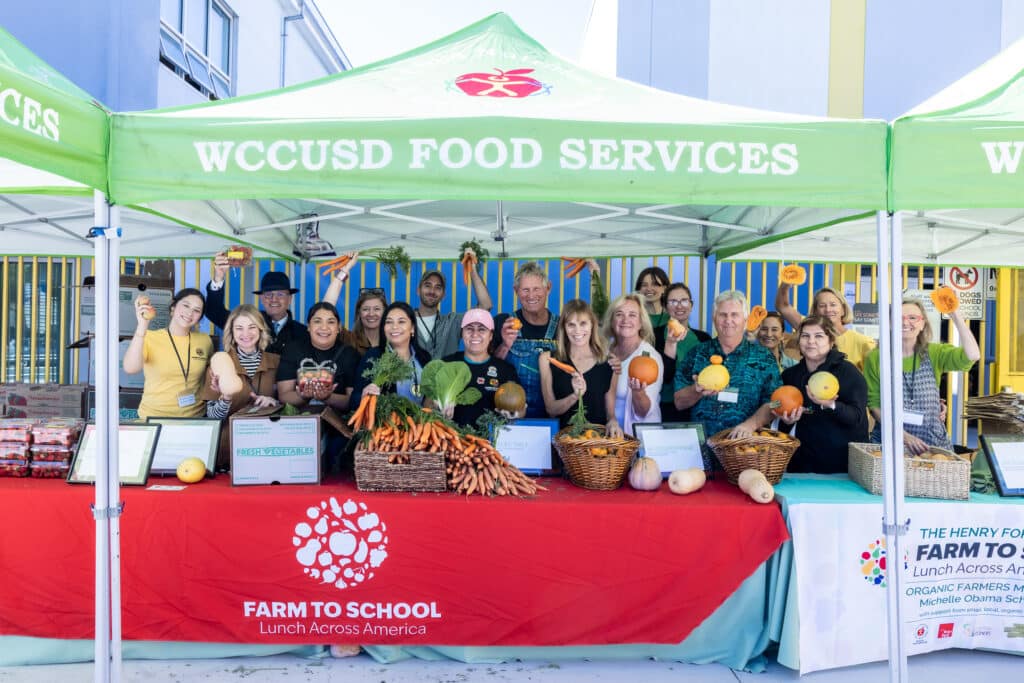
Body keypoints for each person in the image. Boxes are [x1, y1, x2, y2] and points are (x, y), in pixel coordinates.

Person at [865, 298, 980, 453]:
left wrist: (955, 315)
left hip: (932, 442)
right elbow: (874, 404)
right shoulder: (877, 357)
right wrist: (903, 436)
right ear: (890, 324)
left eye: (912, 318)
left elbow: (973, 355)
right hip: (890, 442)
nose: (905, 322)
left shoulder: (935, 352)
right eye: (898, 318)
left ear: (923, 324)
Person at [674, 290, 781, 444]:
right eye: (723, 315)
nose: (728, 320)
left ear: (745, 319)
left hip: (745, 447)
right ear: (714, 318)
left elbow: (775, 403)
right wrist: (696, 391)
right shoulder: (697, 354)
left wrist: (750, 425)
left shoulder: (764, 358)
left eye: (734, 315)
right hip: (701, 447)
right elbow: (678, 402)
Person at [775, 316, 868, 473]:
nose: (811, 341)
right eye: (805, 336)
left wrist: (831, 404)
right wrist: (786, 420)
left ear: (831, 341)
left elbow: (857, 417)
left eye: (818, 336)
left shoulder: (848, 372)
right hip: (803, 465)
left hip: (842, 467)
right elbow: (777, 407)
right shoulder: (790, 375)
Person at [277, 302, 362, 473]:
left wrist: (328, 397)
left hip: (336, 426)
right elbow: (283, 395)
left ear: (338, 328)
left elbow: (352, 402)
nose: (324, 327)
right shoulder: (293, 349)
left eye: (331, 322)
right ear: (308, 327)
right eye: (317, 321)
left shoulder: (349, 354)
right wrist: (302, 395)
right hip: (299, 425)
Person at [199, 304, 280, 471]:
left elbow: (289, 408)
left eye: (252, 327)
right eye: (239, 328)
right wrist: (226, 398)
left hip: (268, 449)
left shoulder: (276, 362)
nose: (246, 334)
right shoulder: (219, 363)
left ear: (260, 330)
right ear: (231, 332)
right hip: (228, 451)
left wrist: (274, 402)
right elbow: (212, 417)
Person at [124, 288, 214, 419]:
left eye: (197, 310)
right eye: (186, 305)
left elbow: (210, 377)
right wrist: (142, 325)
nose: (190, 313)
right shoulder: (149, 337)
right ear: (173, 307)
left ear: (200, 317)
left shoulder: (205, 341)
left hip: (195, 418)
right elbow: (130, 368)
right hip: (154, 418)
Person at [539, 300, 622, 436]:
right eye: (571, 325)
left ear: (592, 325)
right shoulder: (547, 359)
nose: (577, 331)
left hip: (596, 442)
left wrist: (613, 421)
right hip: (562, 441)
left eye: (583, 323)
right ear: (563, 328)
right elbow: (551, 410)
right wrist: (575, 396)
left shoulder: (610, 362)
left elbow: (610, 414)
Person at [204, 255, 308, 356]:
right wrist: (219, 277)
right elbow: (214, 312)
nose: (274, 299)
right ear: (261, 298)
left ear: (290, 299)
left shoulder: (303, 332)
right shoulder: (249, 321)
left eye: (280, 294)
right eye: (268, 294)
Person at [493, 262, 559, 418]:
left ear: (548, 288)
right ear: (516, 290)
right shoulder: (503, 322)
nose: (531, 295)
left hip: (553, 418)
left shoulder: (562, 327)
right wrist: (505, 345)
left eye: (536, 289)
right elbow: (490, 369)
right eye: (525, 290)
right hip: (509, 416)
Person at [441, 308, 519, 428]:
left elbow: (520, 407)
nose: (475, 334)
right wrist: (438, 402)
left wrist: (514, 413)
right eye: (469, 329)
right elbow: (427, 402)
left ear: (491, 335)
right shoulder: (447, 364)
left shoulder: (505, 370)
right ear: (462, 333)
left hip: (492, 438)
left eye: (482, 329)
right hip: (451, 437)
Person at [776, 282, 875, 370]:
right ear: (815, 311)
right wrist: (785, 284)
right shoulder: (809, 328)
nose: (828, 310)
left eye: (833, 305)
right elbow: (783, 306)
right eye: (822, 305)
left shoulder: (863, 342)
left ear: (843, 309)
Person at [352, 302, 433, 408]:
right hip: (385, 419)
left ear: (412, 328)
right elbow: (353, 400)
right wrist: (363, 396)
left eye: (401, 321)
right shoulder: (374, 356)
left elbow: (429, 401)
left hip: (420, 418)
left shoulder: (424, 358)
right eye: (389, 322)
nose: (394, 326)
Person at [415, 253, 493, 359]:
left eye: (438, 287)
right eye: (427, 285)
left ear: (443, 295)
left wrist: (472, 270)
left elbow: (485, 306)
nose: (432, 291)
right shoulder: (406, 322)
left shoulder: (452, 322)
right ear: (418, 290)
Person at [605, 293, 663, 436]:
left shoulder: (650, 357)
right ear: (612, 321)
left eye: (632, 315)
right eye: (619, 314)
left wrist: (638, 392)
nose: (626, 320)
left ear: (641, 322)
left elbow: (643, 412)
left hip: (641, 440)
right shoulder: (604, 352)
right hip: (611, 439)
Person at [655, 282, 711, 421]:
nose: (679, 306)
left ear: (691, 305)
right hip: (665, 409)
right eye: (673, 301)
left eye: (684, 301)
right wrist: (670, 344)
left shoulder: (704, 338)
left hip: (698, 407)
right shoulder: (654, 336)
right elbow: (663, 378)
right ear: (665, 307)